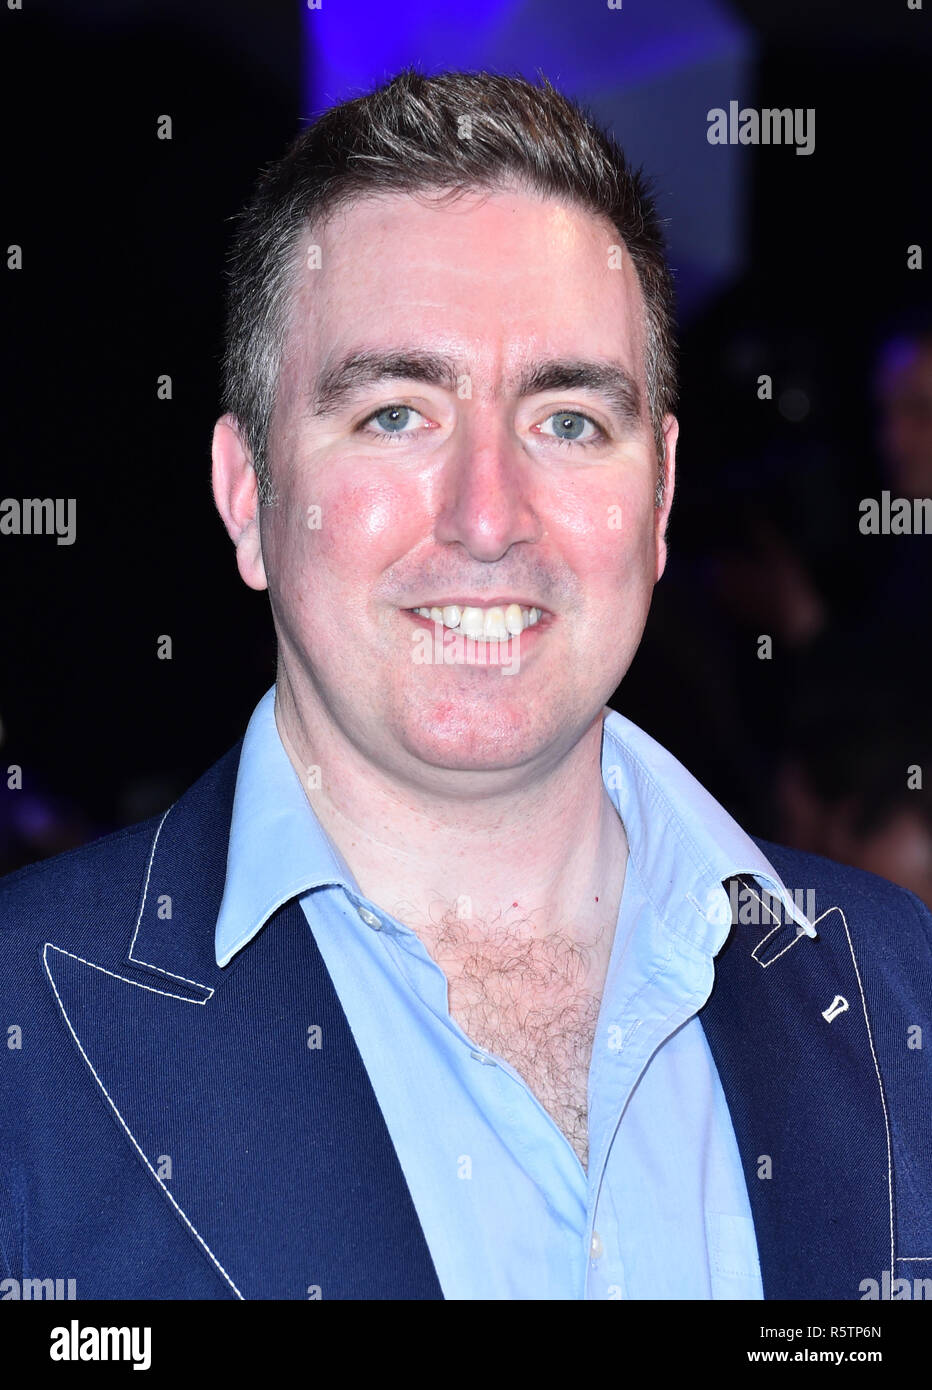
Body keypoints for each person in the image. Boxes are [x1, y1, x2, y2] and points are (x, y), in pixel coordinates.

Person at [1, 68, 929, 1303]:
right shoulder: (27, 1034)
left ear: (655, 499)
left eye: (565, 421)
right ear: (247, 495)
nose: (488, 517)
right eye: (394, 415)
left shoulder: (895, 989)